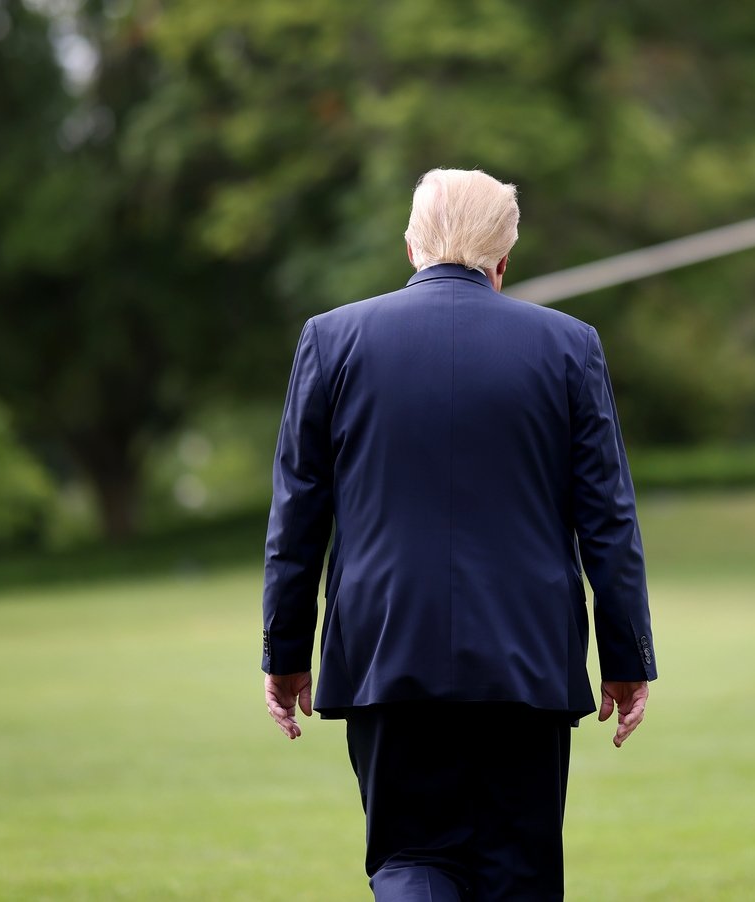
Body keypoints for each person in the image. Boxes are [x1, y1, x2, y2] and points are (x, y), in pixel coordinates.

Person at [261, 168, 657, 901]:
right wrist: (626, 655)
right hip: (527, 658)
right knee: (521, 873)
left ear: (410, 245)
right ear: (504, 259)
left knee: (411, 860)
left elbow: (297, 518)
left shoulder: (331, 340)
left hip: (387, 650)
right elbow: (608, 517)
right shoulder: (571, 347)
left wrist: (286, 653)